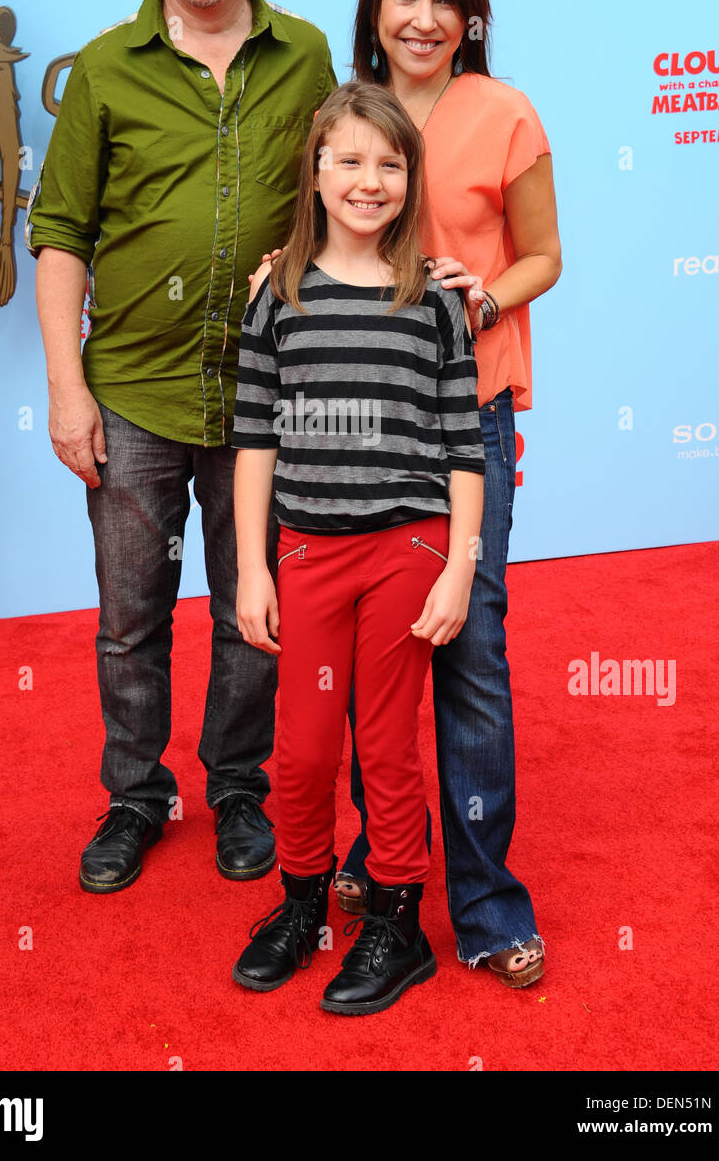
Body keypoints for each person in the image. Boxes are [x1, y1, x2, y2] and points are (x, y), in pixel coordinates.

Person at [27, 0, 336, 893]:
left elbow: (334, 200)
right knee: (130, 616)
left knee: (254, 604)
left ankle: (239, 784)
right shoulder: (108, 68)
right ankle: (135, 794)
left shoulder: (305, 56)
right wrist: (69, 390)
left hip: (267, 395)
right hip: (136, 392)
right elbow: (60, 231)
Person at [335, 0, 562, 987]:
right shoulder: (346, 112)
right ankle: (382, 861)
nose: (423, 19)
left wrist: (485, 296)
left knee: (469, 647)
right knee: (374, 650)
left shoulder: (506, 113)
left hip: (468, 410)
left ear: (473, 15)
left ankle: (484, 902)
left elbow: (545, 256)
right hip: (357, 418)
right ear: (375, 11)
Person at [231, 81, 485, 1015]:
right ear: (316, 171)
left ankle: (399, 919)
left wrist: (459, 564)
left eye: (389, 164)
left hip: (407, 548)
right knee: (298, 751)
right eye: (348, 160)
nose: (369, 181)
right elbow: (255, 433)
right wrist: (254, 565)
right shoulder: (279, 293)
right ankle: (302, 903)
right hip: (306, 550)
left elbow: (464, 443)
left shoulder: (434, 300)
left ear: (411, 179)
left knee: (385, 747)